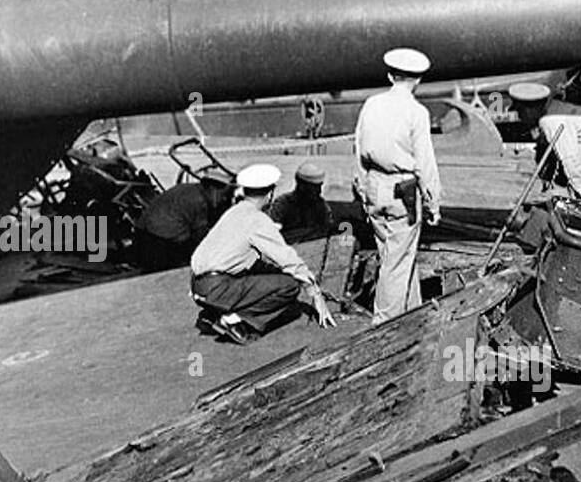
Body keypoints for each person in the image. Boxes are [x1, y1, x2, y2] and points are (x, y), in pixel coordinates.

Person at [189, 163, 335, 343]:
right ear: (270, 193)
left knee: (265, 274)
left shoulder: (234, 212)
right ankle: (234, 319)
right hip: (218, 288)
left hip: (198, 286)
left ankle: (213, 311)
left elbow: (240, 258)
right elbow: (287, 259)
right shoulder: (258, 220)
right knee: (289, 286)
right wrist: (314, 292)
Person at [353, 47, 442, 325]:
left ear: (390, 75)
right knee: (396, 261)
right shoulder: (417, 112)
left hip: (373, 188)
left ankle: (412, 314)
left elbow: (357, 148)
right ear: (417, 80)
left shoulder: (371, 104)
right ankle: (384, 325)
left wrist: (361, 188)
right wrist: (433, 202)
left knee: (397, 256)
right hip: (402, 192)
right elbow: (425, 162)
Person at [130, 167, 235, 271]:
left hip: (143, 235)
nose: (223, 199)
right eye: (223, 194)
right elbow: (201, 236)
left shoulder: (190, 189)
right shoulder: (199, 201)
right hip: (156, 244)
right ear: (213, 189)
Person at [269, 161, 335, 240]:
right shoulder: (282, 204)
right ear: (301, 186)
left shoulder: (320, 206)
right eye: (314, 187)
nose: (319, 191)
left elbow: (327, 229)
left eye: (319, 186)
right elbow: (272, 234)